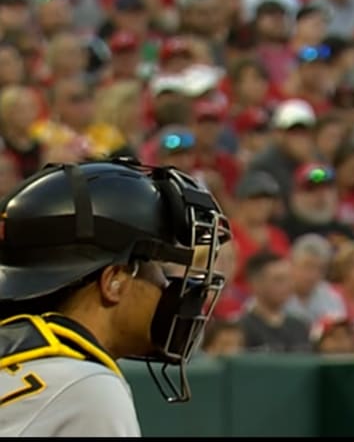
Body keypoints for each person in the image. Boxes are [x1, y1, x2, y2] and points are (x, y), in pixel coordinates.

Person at [0, 158, 230, 436]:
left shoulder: (29, 363)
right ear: (114, 281)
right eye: (158, 269)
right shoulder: (86, 388)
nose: (166, 285)